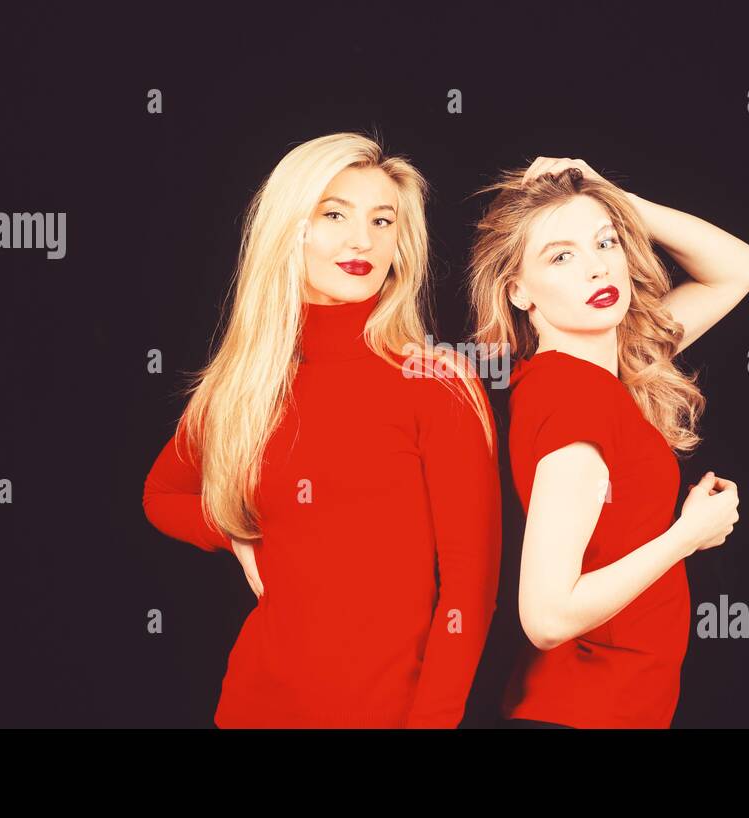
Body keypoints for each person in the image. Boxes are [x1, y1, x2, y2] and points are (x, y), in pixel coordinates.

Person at [143, 133, 501, 728]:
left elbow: (470, 591)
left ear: (401, 247)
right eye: (334, 214)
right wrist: (238, 536)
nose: (362, 239)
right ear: (291, 228)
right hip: (253, 706)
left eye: (382, 222)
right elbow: (160, 497)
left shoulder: (434, 381)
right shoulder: (245, 383)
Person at [466, 157, 749, 728]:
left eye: (606, 244)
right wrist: (687, 536)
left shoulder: (616, 370)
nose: (597, 270)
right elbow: (547, 616)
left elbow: (739, 267)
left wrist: (610, 195)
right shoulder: (575, 401)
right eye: (561, 256)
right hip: (580, 712)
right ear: (518, 291)